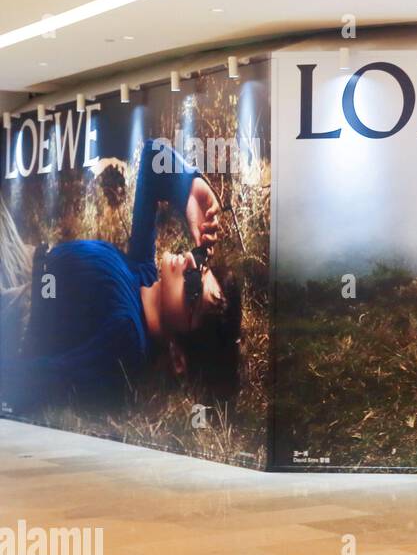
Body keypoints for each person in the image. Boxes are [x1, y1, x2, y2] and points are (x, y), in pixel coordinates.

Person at [0, 142, 241, 413]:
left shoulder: (127, 339)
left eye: (193, 287)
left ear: (178, 356)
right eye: (200, 264)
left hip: (15, 309)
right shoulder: (144, 272)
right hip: (22, 259)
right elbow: (152, 157)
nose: (188, 259)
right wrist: (189, 187)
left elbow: (46, 378)